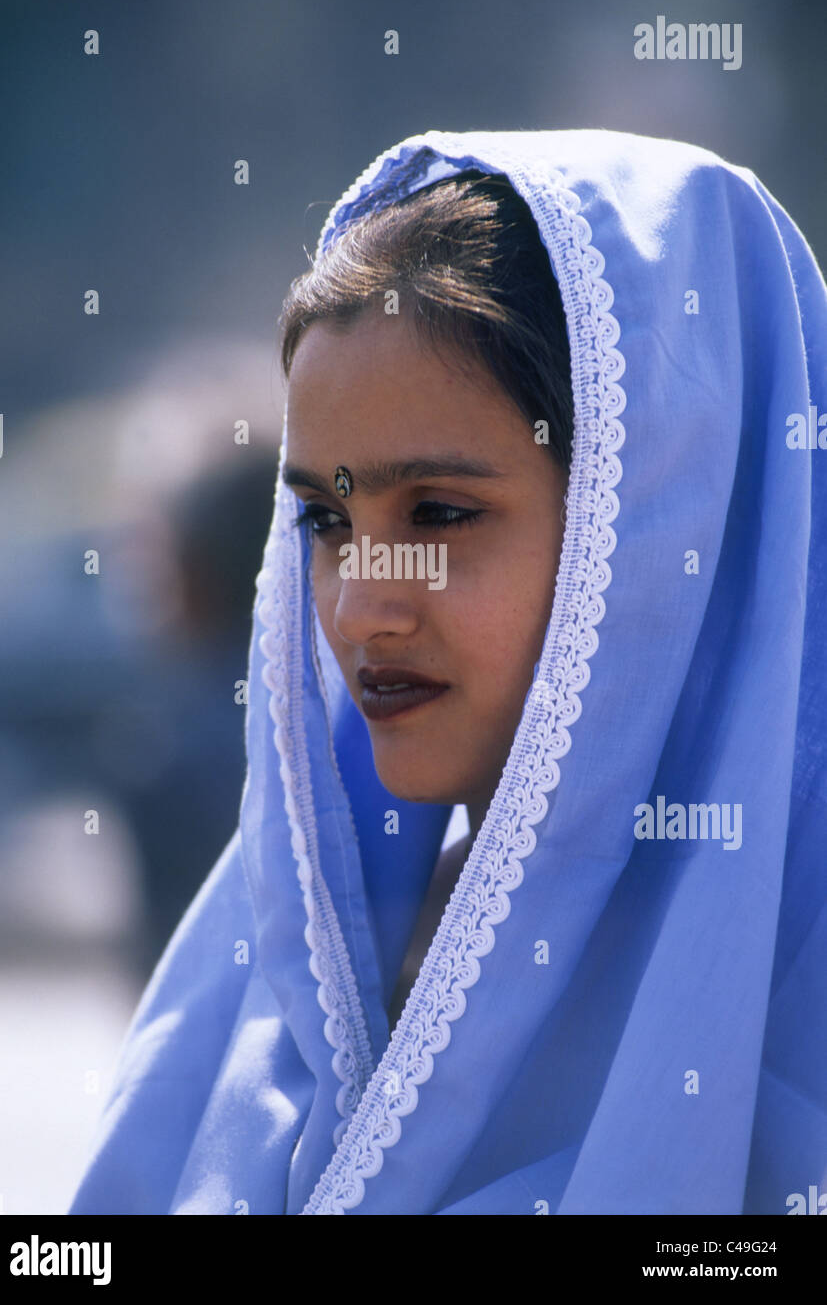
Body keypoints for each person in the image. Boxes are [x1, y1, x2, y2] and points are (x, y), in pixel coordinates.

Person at [68, 128, 826, 1215]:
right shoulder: (282, 959)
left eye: (440, 513)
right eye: (325, 519)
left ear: (669, 529)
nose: (359, 601)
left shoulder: (791, 985)